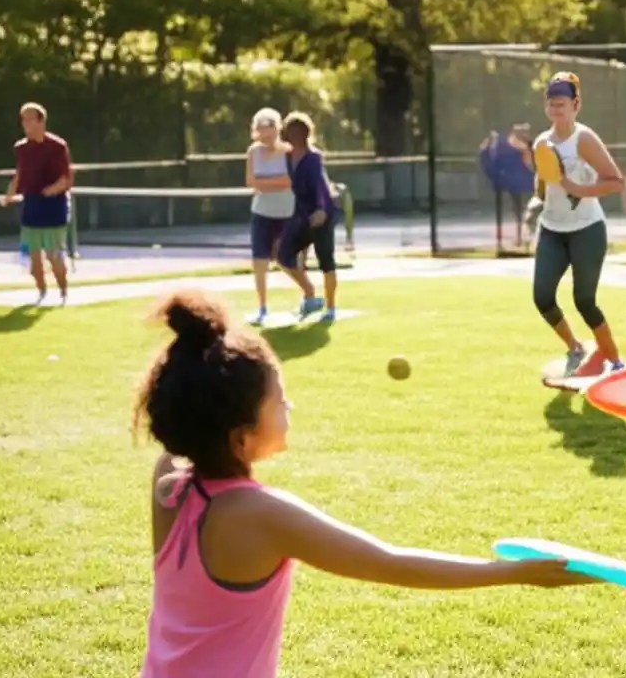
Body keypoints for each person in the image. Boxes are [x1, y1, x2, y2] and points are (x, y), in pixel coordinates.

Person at [135, 290, 595, 677]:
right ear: (241, 438)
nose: (289, 406)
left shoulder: (169, 480)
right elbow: (387, 562)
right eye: (278, 401)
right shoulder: (261, 515)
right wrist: (510, 572)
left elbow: (186, 418)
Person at [531, 72, 626, 377]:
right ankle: (574, 347)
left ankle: (614, 360)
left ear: (576, 104)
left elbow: (616, 182)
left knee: (584, 300)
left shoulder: (583, 139)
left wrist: (577, 188)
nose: (556, 109)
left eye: (562, 103)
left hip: (587, 229)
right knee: (542, 296)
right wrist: (542, 185)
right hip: (552, 230)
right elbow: (542, 188)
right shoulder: (542, 142)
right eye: (551, 104)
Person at [0, 102, 73, 306]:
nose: (25, 123)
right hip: (31, 204)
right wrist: (9, 194)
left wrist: (50, 190)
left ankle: (63, 291)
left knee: (53, 255)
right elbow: (20, 173)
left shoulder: (57, 146)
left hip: (54, 205)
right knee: (33, 260)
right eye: (23, 119)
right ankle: (41, 292)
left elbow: (66, 178)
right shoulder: (21, 148)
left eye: (29, 119)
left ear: (41, 121)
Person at [276, 112, 338, 322]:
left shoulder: (313, 157)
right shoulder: (284, 158)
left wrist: (320, 209)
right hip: (301, 216)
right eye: (290, 132)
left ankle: (330, 308)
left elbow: (320, 185)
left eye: (298, 132)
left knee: (326, 260)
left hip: (323, 215)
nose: (294, 136)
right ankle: (310, 295)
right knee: (284, 254)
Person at [244, 108, 295, 325]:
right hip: (261, 213)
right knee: (260, 261)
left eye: (270, 129)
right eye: (262, 130)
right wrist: (272, 183)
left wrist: (266, 184)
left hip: (286, 213)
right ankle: (263, 307)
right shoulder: (253, 152)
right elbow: (250, 181)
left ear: (277, 129)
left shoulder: (289, 151)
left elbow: (288, 181)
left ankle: (309, 295)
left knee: (287, 260)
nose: (267, 135)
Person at [478, 123, 536, 250]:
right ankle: (517, 237)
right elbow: (490, 159)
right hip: (512, 181)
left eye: (524, 130)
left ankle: (524, 236)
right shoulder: (503, 144)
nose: (523, 132)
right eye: (520, 130)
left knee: (526, 208)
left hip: (525, 181)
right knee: (517, 208)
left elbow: (531, 161)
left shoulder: (528, 144)